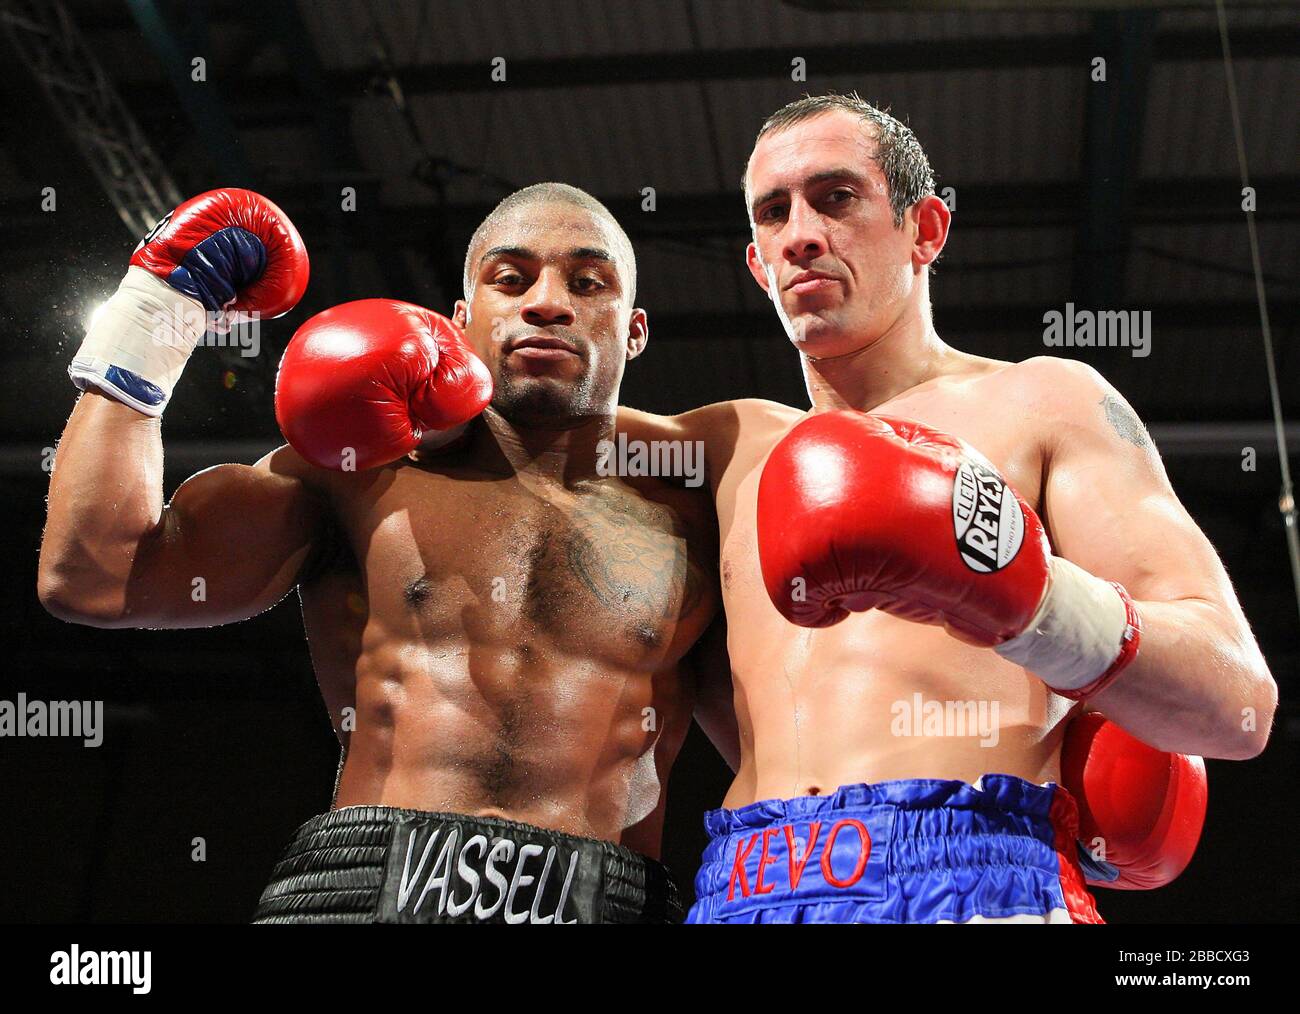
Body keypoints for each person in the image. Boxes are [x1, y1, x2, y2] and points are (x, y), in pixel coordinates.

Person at [618, 93, 1275, 923]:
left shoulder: (1045, 401)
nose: (801, 234)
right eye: (772, 213)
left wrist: (1031, 599)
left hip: (971, 877)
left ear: (925, 229)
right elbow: (533, 429)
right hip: (744, 884)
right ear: (757, 262)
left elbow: (1243, 703)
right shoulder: (721, 449)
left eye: (836, 197)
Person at [38, 184, 735, 924]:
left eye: (587, 282)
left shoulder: (705, 496)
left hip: (606, 900)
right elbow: (94, 577)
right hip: (370, 881)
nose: (546, 302)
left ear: (634, 330)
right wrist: (156, 311)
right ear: (461, 322)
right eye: (511, 278)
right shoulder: (357, 473)